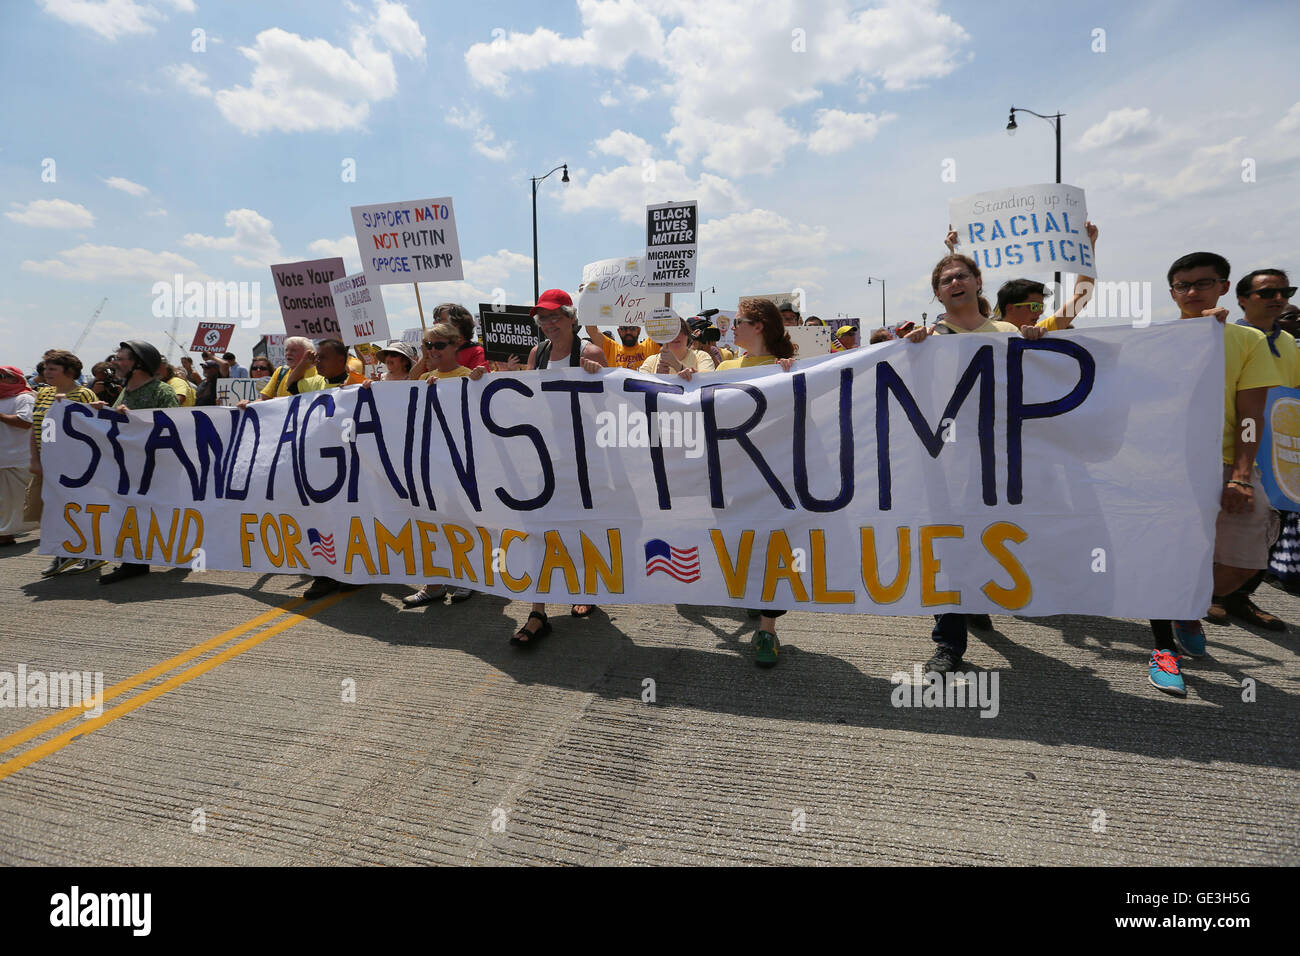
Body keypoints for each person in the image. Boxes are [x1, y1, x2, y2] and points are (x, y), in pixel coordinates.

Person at [900, 255, 1048, 674]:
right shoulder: (928, 339)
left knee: (990, 536)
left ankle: (976, 597)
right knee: (949, 545)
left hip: (1000, 458)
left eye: (961, 275)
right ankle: (949, 644)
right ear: (937, 293)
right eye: (945, 280)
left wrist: (1037, 344)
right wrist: (911, 352)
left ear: (978, 282)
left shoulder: (1007, 333)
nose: (954, 283)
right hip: (946, 459)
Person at [1145, 252, 1282, 697]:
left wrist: (1241, 475)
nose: (1192, 292)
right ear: (1171, 293)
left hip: (1225, 461)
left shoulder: (1246, 340)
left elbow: (1250, 417)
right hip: (1167, 464)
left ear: (1223, 288)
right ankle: (1163, 649)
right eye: (1182, 285)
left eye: (1203, 283)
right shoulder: (1156, 340)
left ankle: (1191, 605)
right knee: (1167, 556)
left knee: (1246, 556)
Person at [507, 289, 606, 645]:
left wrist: (597, 378)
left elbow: (609, 408)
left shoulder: (589, 352)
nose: (549, 324)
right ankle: (538, 610)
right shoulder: (539, 353)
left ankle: (585, 589)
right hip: (543, 456)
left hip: (583, 458)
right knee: (540, 528)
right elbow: (526, 400)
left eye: (555, 317)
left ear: (570, 318)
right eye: (543, 318)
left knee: (580, 527)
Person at [710, 297, 799, 666]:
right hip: (731, 473)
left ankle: (767, 629)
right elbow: (700, 403)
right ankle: (755, 595)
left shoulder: (787, 368)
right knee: (739, 544)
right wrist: (683, 376)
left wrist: (793, 376)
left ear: (759, 325)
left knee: (773, 547)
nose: (733, 327)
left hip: (774, 474)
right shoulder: (727, 366)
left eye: (740, 321)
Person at [1215, 269, 1300, 620]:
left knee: (1268, 528)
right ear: (1241, 299)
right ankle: (1206, 596)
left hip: (1275, 450)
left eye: (1285, 291)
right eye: (1267, 293)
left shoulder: (1287, 344)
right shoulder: (1223, 334)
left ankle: (1237, 597)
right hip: (1235, 447)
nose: (1278, 299)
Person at [97, 340, 178, 585]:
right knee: (129, 512)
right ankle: (134, 561)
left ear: (139, 363)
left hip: (155, 467)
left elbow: (176, 427)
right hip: (127, 467)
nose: (115, 363)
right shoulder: (125, 391)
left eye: (121, 359)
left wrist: (134, 419)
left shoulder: (161, 391)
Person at [947, 221, 1099, 330]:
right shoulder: (985, 332)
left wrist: (1088, 246)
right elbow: (964, 296)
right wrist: (956, 250)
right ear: (1010, 308)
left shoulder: (1042, 331)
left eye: (1041, 306)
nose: (1040, 312)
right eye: (1034, 306)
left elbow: (1081, 297)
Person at [26, 351, 99, 575]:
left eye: (52, 369)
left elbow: (97, 428)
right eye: (46, 368)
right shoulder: (44, 393)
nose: (46, 373)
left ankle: (92, 554)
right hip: (48, 462)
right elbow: (34, 427)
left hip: (77, 465)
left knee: (79, 510)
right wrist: (34, 458)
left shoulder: (84, 394)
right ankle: (65, 552)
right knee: (53, 511)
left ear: (69, 372)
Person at [0, 366, 36, 546]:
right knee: (6, 501)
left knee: (16, 501)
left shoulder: (24, 397)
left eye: (1, 376)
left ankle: (6, 533)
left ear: (14, 379)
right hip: (3, 457)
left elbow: (25, 422)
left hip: (18, 458)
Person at [638, 318, 715, 374]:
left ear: (688, 336)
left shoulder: (702, 357)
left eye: (680, 331)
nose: (676, 336)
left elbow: (707, 383)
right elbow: (639, 387)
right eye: (671, 332)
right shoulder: (651, 361)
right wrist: (657, 377)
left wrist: (678, 366)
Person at [432, 303, 488, 372]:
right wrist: (424, 357)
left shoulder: (476, 352)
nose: (434, 323)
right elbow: (415, 380)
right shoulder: (433, 351)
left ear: (457, 324)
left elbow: (480, 381)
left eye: (439, 319)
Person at [584, 321, 660, 370]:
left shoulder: (650, 345)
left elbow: (664, 327)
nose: (628, 332)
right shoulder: (611, 348)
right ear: (618, 331)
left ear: (639, 330)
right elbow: (591, 329)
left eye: (632, 328)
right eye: (623, 328)